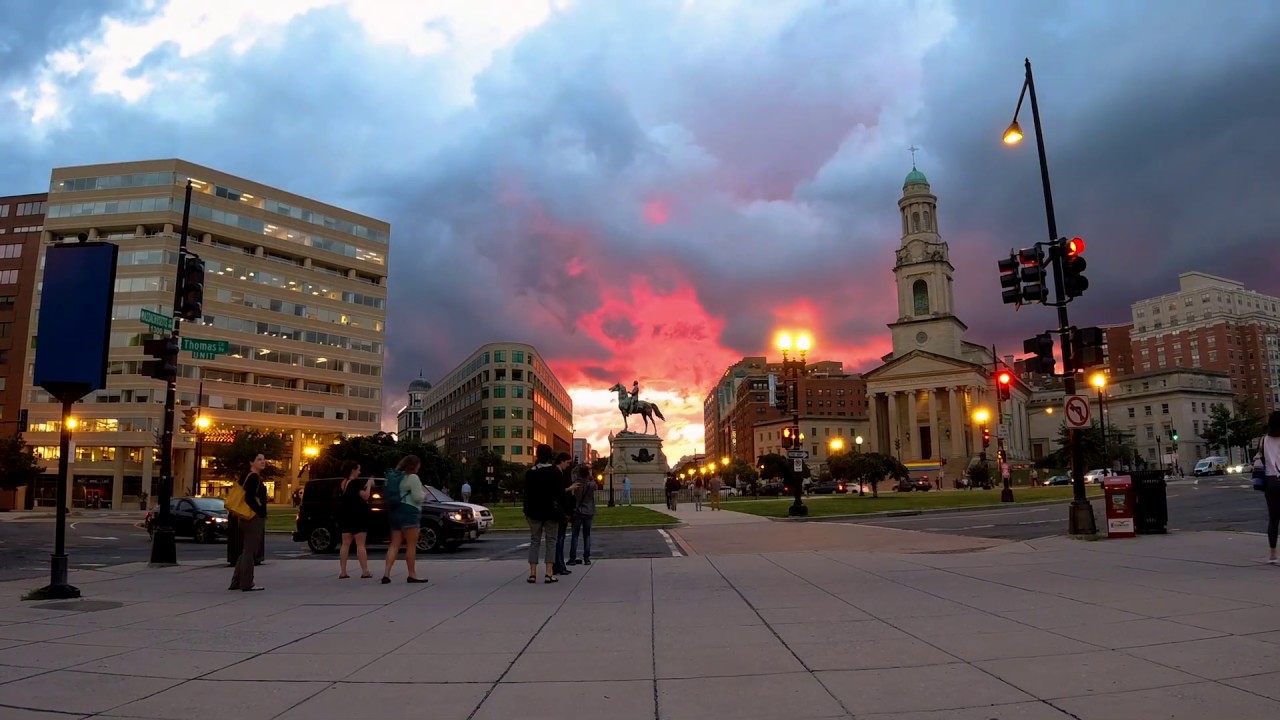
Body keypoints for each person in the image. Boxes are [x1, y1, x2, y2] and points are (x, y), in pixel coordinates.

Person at [524, 445, 570, 583]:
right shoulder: (555, 472)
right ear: (550, 455)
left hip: (534, 512)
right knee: (551, 542)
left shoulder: (530, 473)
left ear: (537, 456)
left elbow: (527, 494)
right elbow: (560, 494)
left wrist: (526, 512)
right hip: (551, 512)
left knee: (534, 541)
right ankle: (549, 573)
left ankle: (533, 573)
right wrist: (565, 512)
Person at [382, 455, 428, 584]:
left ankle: (386, 574)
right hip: (410, 512)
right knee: (411, 545)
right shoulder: (413, 478)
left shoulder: (398, 477)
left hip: (395, 512)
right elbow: (418, 497)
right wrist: (425, 495)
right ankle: (412, 574)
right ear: (415, 466)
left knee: (394, 544)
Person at [229, 454, 268, 592]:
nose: (263, 462)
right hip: (252, 518)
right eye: (259, 459)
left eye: (263, 459)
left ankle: (236, 581)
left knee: (246, 550)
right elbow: (249, 498)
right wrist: (260, 512)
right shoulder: (253, 478)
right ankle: (247, 583)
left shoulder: (246, 477)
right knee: (249, 552)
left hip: (244, 517)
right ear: (251, 462)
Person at [336, 461, 371, 579]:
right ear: (353, 470)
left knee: (345, 543)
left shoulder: (344, 482)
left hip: (346, 515)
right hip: (358, 515)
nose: (359, 472)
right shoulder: (356, 483)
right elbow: (365, 496)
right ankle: (365, 571)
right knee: (360, 544)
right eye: (358, 469)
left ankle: (343, 571)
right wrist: (369, 485)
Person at [1256, 411, 1280, 564]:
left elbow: (1259, 460)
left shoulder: (1263, 441)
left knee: (1274, 519)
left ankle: (1273, 554)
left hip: (1271, 482)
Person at [567, 464, 596, 566]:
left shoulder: (576, 483)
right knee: (587, 536)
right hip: (589, 511)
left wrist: (578, 466)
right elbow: (593, 482)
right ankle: (587, 558)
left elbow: (572, 473)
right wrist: (590, 473)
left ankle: (572, 558)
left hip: (578, 511)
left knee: (575, 535)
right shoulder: (591, 484)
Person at [553, 452, 574, 575]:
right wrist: (569, 489)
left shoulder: (561, 473)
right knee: (559, 540)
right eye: (567, 462)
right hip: (559, 511)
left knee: (560, 539)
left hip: (562, 510)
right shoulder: (557, 473)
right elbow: (558, 492)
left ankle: (559, 565)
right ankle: (558, 566)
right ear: (561, 461)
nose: (568, 465)